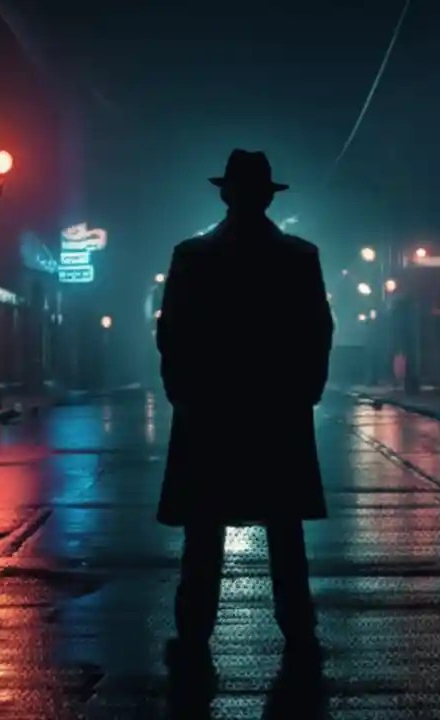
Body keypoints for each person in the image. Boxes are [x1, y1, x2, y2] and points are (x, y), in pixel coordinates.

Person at [156, 149, 334, 666]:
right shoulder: (299, 257)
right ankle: (298, 629)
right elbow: (317, 332)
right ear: (266, 195)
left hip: (210, 409)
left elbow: (172, 335)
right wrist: (306, 391)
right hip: (276, 410)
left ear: (225, 194)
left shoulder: (192, 256)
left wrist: (183, 394)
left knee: (204, 527)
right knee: (283, 530)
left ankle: (193, 632)